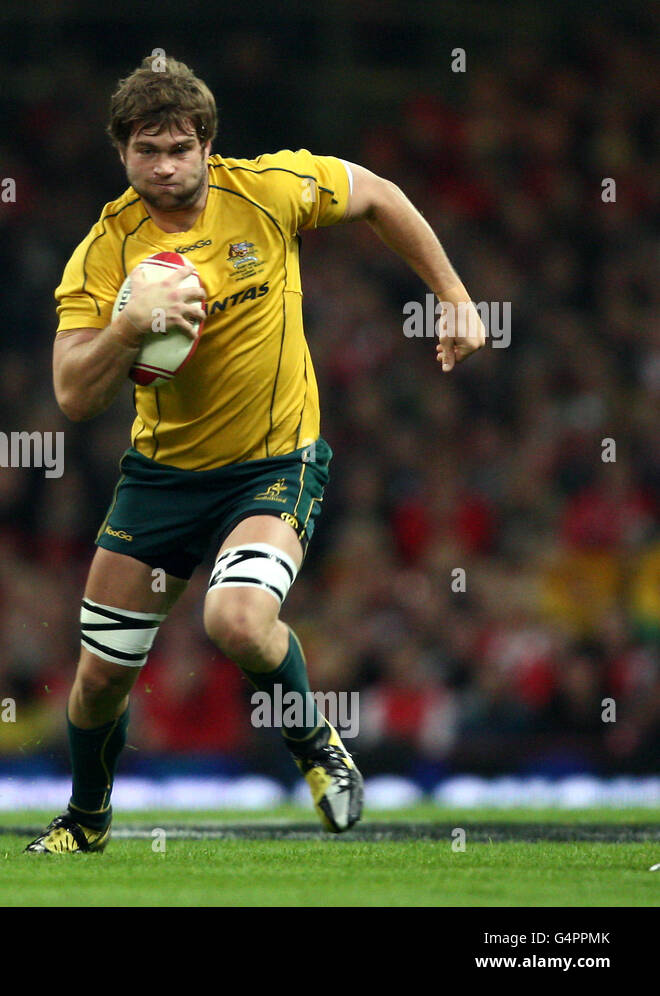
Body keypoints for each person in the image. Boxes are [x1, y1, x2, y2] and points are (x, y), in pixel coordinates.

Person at [27, 56, 486, 853]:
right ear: (122, 153)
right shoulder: (105, 252)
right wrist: (128, 328)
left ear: (207, 143)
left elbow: (380, 195)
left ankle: (317, 749)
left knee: (236, 619)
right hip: (161, 476)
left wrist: (451, 294)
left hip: (276, 461)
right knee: (100, 677)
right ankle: (87, 819)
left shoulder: (269, 190)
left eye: (177, 147)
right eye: (145, 150)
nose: (163, 166)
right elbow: (72, 394)